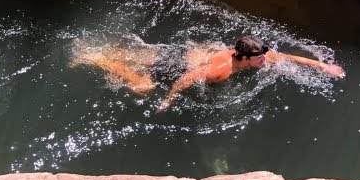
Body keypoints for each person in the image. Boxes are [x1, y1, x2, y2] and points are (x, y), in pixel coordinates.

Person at [74, 35, 344, 111]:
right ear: (243, 58)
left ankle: (107, 51)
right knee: (142, 86)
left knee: (145, 58)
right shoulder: (221, 71)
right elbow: (188, 78)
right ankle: (98, 59)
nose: (265, 60)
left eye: (263, 56)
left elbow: (287, 57)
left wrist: (323, 66)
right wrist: (169, 98)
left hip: (182, 54)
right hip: (177, 67)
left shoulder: (253, 55)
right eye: (259, 58)